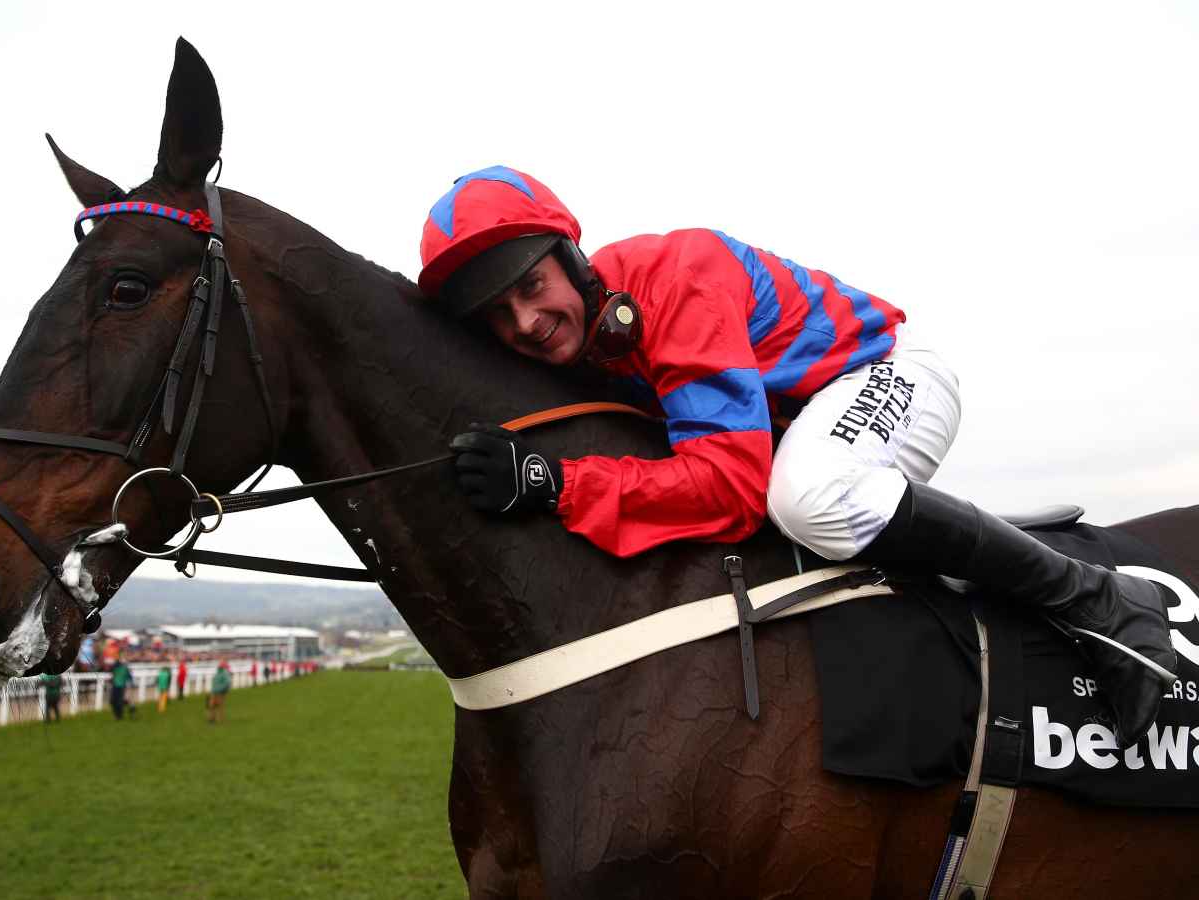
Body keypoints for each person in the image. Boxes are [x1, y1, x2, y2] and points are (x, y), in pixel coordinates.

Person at [420, 165, 1176, 748]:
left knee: (806, 496)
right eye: (498, 313)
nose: (525, 320)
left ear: (569, 255)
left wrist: (557, 484)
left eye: (531, 285)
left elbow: (731, 486)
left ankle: (1096, 597)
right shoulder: (585, 337)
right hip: (805, 415)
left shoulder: (673, 279)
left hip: (886, 371)